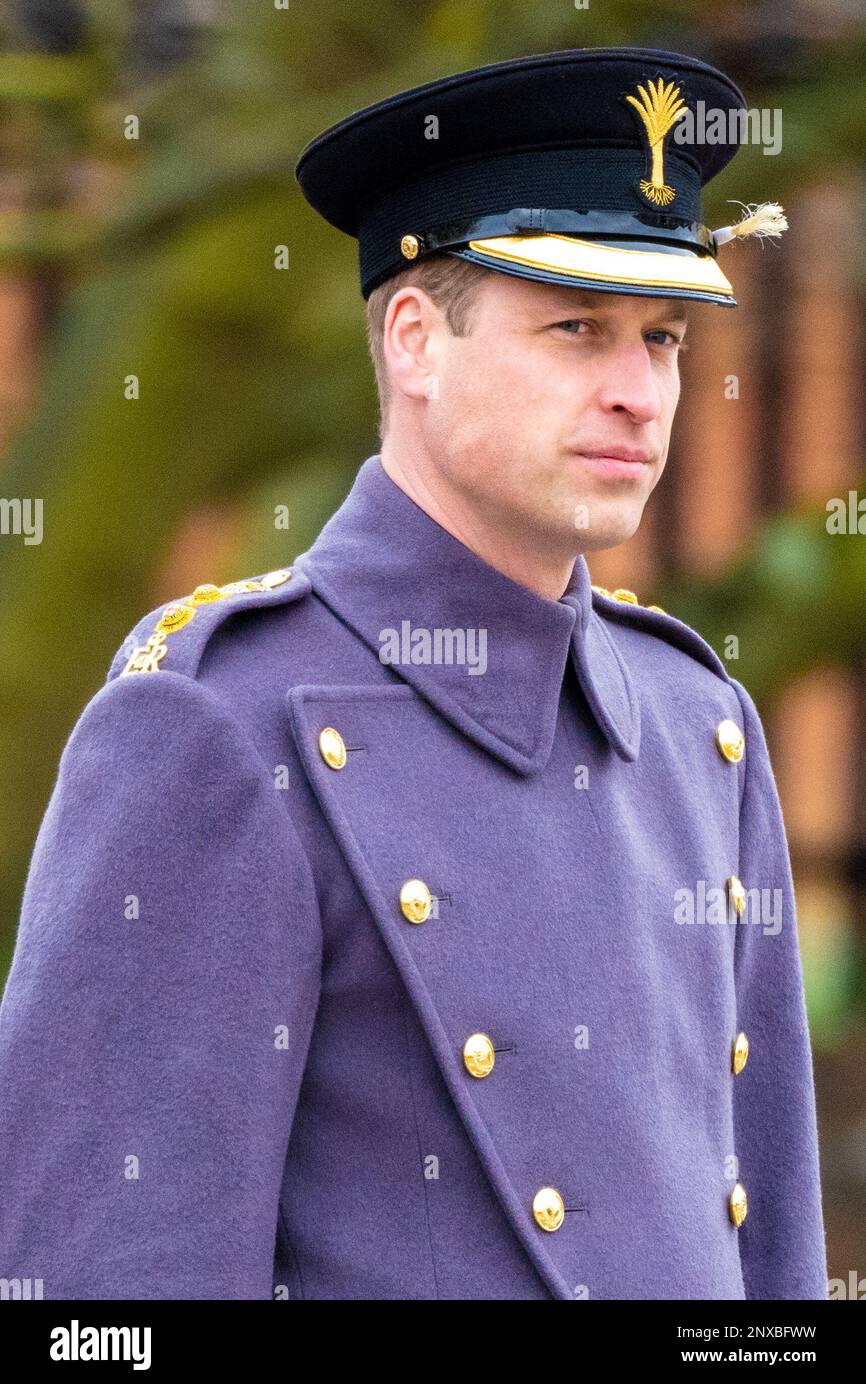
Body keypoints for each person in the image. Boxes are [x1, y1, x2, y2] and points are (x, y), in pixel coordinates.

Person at [0, 46, 826, 1300]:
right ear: (412, 339)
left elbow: (766, 1264)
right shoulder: (219, 722)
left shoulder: (696, 719)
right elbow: (108, 1299)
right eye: (574, 329)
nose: (637, 393)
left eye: (659, 338)